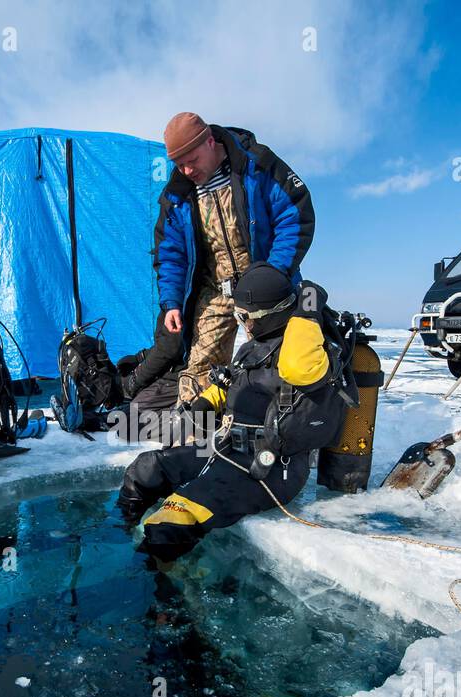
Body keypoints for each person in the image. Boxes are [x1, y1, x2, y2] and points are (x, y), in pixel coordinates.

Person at [117, 263, 336, 562]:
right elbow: (235, 380)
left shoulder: (304, 350)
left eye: (244, 316)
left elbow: (298, 369)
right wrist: (206, 402)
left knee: (173, 520)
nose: (241, 323)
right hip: (228, 448)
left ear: (268, 314)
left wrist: (307, 307)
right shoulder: (254, 348)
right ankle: (119, 537)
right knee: (144, 470)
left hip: (271, 468)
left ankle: (164, 601)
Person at [118, 112, 315, 421]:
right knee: (198, 371)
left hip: (264, 291)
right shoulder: (178, 195)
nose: (186, 170)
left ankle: (287, 440)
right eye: (179, 164)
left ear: (210, 141)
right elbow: (171, 253)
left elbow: (294, 215)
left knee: (283, 365)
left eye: (192, 160)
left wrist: (275, 275)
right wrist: (171, 303)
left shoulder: (257, 164)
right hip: (216, 290)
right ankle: (197, 445)